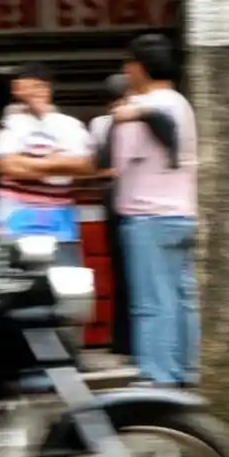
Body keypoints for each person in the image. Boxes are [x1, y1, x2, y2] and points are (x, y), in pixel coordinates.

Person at [114, 34, 200, 387]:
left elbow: (113, 165)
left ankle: (157, 377)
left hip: (148, 217)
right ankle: (186, 370)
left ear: (139, 67)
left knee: (151, 302)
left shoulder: (138, 110)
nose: (125, 70)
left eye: (128, 63)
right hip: (182, 214)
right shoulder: (181, 104)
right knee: (181, 299)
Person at [0, 62, 95, 266]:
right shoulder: (12, 124)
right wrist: (57, 162)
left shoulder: (69, 125)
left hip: (59, 213)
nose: (29, 93)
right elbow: (6, 166)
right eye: (24, 88)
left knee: (65, 274)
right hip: (15, 211)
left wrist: (28, 161)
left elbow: (84, 166)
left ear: (46, 88)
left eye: (35, 87)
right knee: (16, 275)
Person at [91, 74, 135, 359]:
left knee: (120, 271)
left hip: (114, 198)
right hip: (132, 200)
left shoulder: (99, 124)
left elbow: (98, 167)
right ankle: (132, 341)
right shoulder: (126, 120)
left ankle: (121, 340)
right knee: (135, 273)